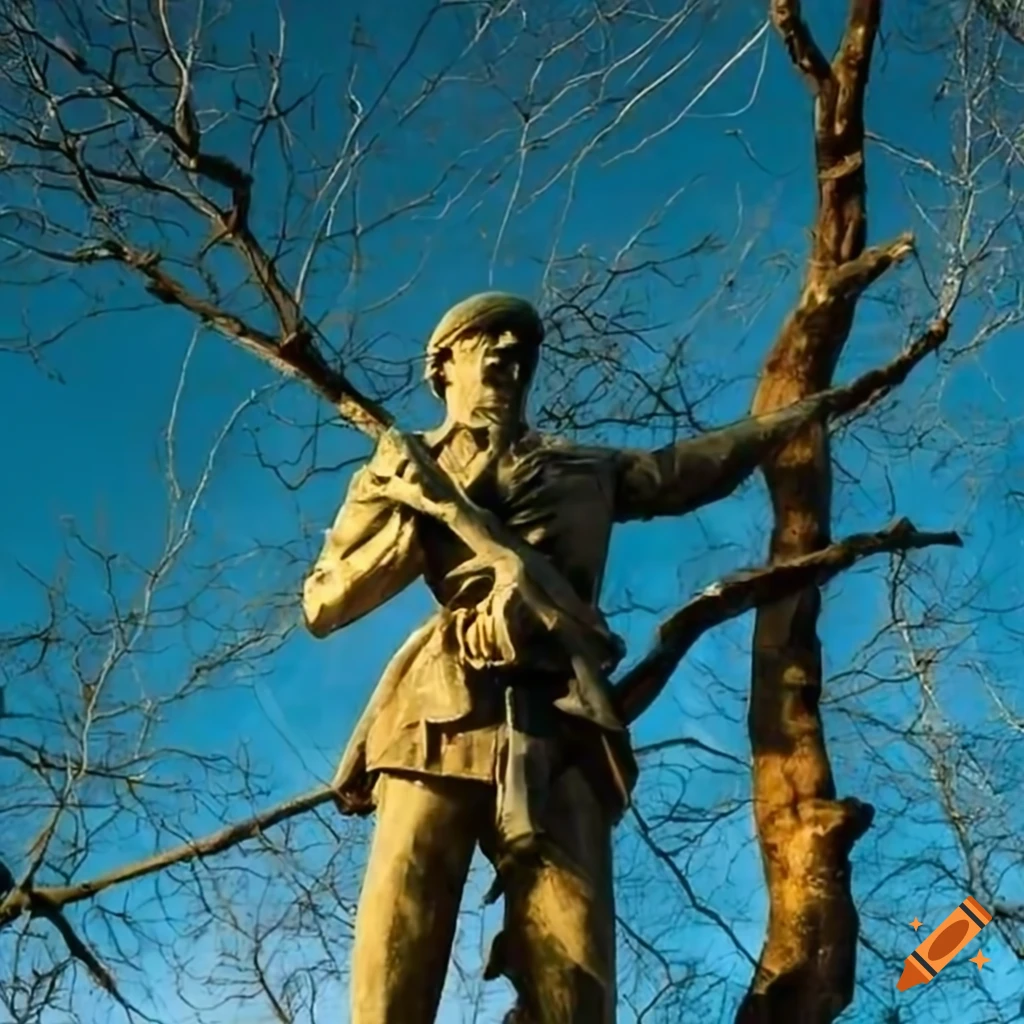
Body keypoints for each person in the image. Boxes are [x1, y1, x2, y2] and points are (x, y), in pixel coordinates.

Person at [302, 292, 828, 1023]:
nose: (511, 345)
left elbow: (687, 471)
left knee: (577, 980)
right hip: (438, 714)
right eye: (488, 332)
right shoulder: (400, 465)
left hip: (561, 722)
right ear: (442, 363)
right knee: (399, 951)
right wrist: (419, 515)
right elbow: (324, 604)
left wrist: (800, 412)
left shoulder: (585, 465)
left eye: (522, 340)